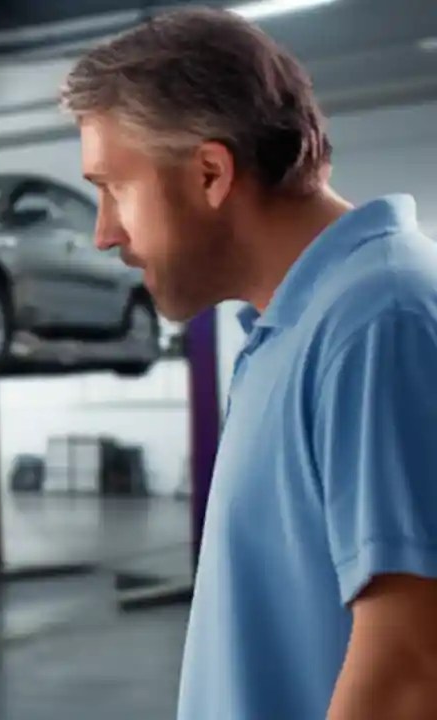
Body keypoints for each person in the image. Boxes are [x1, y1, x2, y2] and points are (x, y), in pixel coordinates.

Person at [60, 7, 437, 720]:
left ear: (210, 172)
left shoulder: (380, 320)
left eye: (112, 187)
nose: (104, 233)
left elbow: (413, 668)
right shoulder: (296, 326)